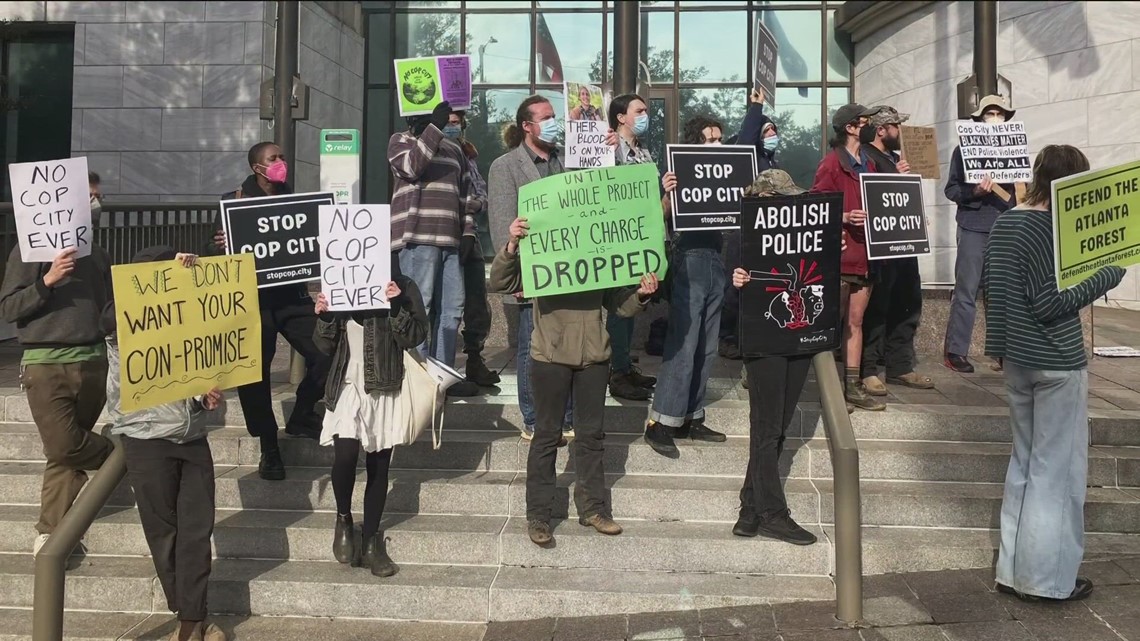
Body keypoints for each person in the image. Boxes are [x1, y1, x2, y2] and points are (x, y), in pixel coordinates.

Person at [983, 144, 1124, 603]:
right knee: (1057, 474)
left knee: (1023, 465)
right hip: (1056, 360)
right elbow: (1050, 303)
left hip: (1015, 360)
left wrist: (998, 348)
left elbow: (993, 289)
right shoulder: (1051, 228)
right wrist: (1109, 273)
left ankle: (1012, 571)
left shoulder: (1006, 221)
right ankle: (1045, 580)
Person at [491, 214, 659, 547]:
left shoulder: (600, 254)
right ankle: (539, 514)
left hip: (593, 359)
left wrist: (641, 295)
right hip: (549, 358)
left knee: (591, 435)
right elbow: (500, 282)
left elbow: (618, 304)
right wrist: (511, 245)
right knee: (546, 436)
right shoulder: (541, 251)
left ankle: (593, 509)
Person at [102, 248, 227, 641]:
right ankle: (189, 614)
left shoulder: (188, 324)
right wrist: (163, 277)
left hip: (192, 438)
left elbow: (193, 370)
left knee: (196, 529)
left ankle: (191, 621)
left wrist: (204, 395)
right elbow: (108, 317)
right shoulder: (121, 320)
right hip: (145, 439)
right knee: (164, 532)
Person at [208, 141, 331, 481]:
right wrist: (218, 246)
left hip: (292, 299)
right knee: (254, 375)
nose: (280, 162)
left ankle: (302, 412)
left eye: (281, 157)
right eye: (273, 158)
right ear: (256, 167)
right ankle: (268, 447)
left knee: (327, 350)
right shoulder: (232, 202)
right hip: (252, 303)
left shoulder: (295, 202)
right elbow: (211, 251)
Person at [0, 191, 114, 555]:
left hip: (94, 361)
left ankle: (52, 535)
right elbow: (8, 308)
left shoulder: (97, 254)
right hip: (45, 364)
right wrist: (46, 281)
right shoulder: (26, 252)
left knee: (63, 456)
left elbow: (112, 305)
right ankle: (122, 455)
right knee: (63, 445)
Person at [314, 254, 429, 578]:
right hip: (347, 385)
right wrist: (323, 316)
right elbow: (323, 345)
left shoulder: (404, 286)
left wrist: (396, 306)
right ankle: (343, 518)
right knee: (345, 455)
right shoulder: (338, 287)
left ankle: (371, 541)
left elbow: (416, 335)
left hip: (385, 385)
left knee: (379, 463)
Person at [728, 169, 823, 546]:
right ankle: (772, 513)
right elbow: (728, 289)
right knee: (766, 427)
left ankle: (751, 505)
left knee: (777, 426)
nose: (789, 203)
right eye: (781, 197)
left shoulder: (801, 233)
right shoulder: (742, 234)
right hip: (764, 338)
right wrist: (736, 283)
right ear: (763, 198)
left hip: (798, 336)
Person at [488, 95, 576, 442]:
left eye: (555, 117)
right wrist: (514, 274)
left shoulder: (566, 163)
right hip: (529, 275)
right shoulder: (505, 166)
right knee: (529, 347)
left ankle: (565, 415)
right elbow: (501, 224)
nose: (553, 123)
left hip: (566, 274)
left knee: (566, 346)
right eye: (546, 117)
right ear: (527, 126)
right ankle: (534, 418)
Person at [643, 115, 730, 456]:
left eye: (720, 138)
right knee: (685, 341)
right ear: (695, 143)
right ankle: (662, 421)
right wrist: (667, 193)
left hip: (715, 257)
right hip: (688, 255)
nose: (717, 144)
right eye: (710, 139)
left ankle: (692, 415)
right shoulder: (675, 172)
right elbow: (657, 216)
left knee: (707, 345)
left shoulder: (725, 174)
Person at [388, 100, 482, 398]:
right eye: (442, 118)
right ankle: (417, 378)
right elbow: (411, 167)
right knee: (421, 308)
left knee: (452, 310)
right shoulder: (401, 141)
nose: (450, 123)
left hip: (450, 241)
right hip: (416, 238)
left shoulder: (455, 150)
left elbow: (469, 194)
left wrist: (467, 231)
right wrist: (432, 130)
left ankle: (443, 376)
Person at [811, 103, 885, 412]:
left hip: (865, 255)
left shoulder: (870, 164)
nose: (869, 126)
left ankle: (852, 385)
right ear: (850, 128)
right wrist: (844, 216)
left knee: (856, 321)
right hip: (841, 257)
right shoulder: (831, 164)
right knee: (833, 322)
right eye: (864, 121)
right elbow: (816, 206)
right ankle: (829, 388)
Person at [858, 106, 935, 396]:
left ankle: (900, 365)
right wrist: (896, 174)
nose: (900, 132)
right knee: (879, 306)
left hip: (905, 242)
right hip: (883, 248)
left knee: (908, 301)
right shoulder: (867, 157)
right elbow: (873, 194)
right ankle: (868, 369)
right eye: (895, 127)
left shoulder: (894, 159)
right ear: (881, 130)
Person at [944, 94, 1018, 373]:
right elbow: (951, 190)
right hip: (973, 226)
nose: (995, 118)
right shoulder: (962, 151)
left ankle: (1003, 352)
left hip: (1005, 227)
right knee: (967, 290)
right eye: (990, 113)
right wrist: (975, 191)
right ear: (979, 119)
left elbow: (1022, 190)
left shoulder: (1015, 149)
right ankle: (955, 351)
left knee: (1002, 293)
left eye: (1000, 114)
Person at [607, 93, 659, 401]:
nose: (644, 115)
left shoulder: (645, 152)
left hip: (641, 237)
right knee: (620, 306)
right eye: (638, 111)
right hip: (618, 238)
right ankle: (617, 371)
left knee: (633, 302)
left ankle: (625, 365)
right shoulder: (610, 150)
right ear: (621, 117)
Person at [721, 88, 780, 360]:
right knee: (734, 288)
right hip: (741, 231)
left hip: (765, 232)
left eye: (774, 132)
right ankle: (726, 337)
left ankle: (748, 336)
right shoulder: (747, 155)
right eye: (766, 132)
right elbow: (746, 139)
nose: (772, 137)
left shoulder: (772, 162)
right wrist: (756, 109)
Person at [445, 110, 500, 387]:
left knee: (477, 301)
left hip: (470, 236)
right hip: (442, 237)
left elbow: (481, 197)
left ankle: (474, 358)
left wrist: (465, 205)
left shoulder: (468, 155)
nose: (453, 127)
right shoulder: (433, 153)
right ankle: (440, 365)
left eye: (457, 123)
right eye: (448, 123)